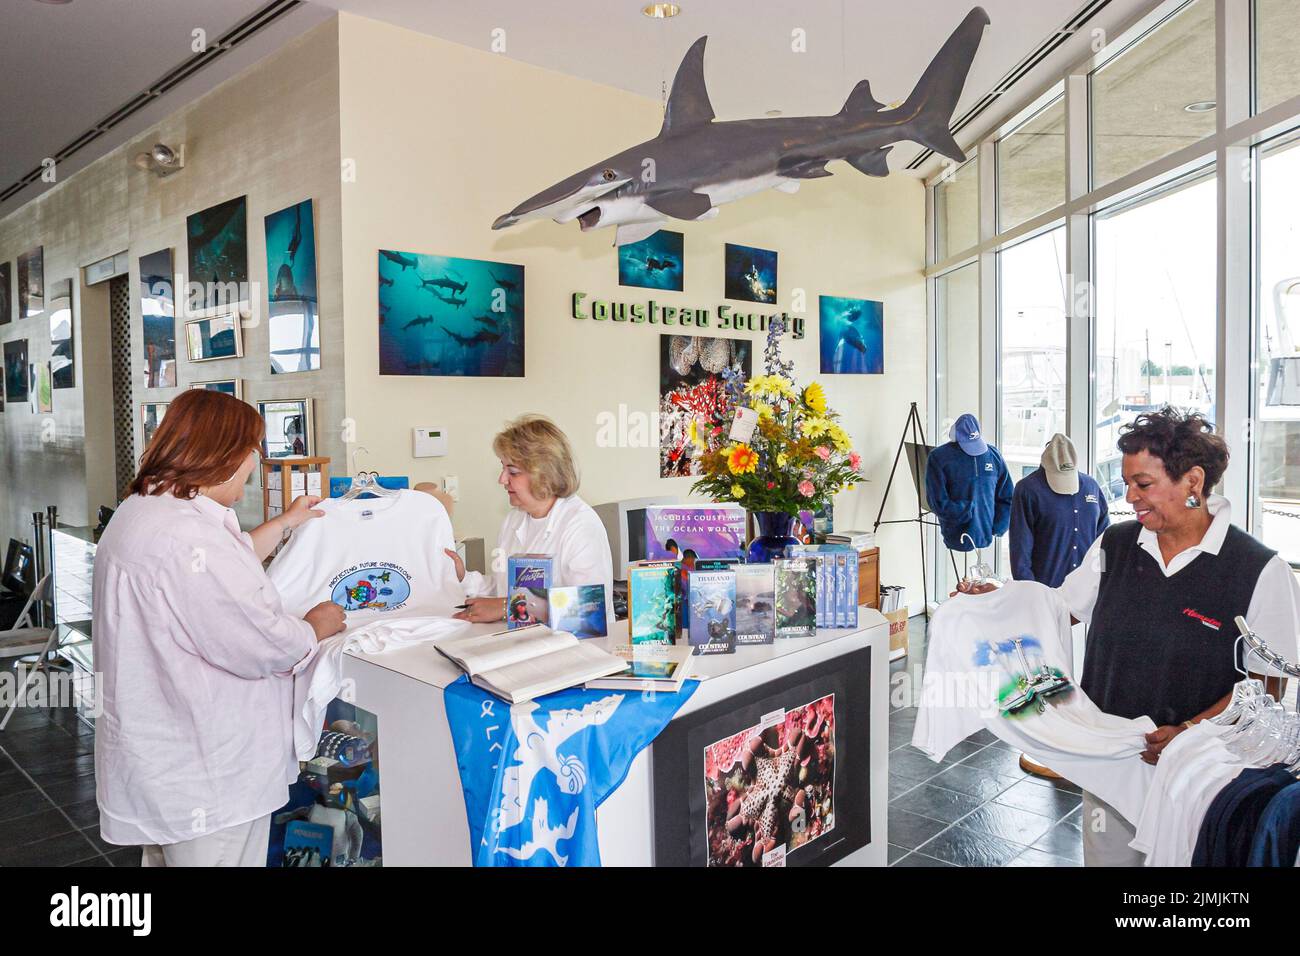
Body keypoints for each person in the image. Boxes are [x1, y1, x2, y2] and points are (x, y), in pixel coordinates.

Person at [961, 407, 1300, 866]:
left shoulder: (1261, 570)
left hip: (1199, 775)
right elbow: (1060, 609)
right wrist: (998, 598)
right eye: (1126, 484)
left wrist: (1189, 732)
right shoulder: (1115, 545)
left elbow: (1268, 687)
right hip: (1112, 759)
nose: (1129, 497)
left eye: (1143, 485)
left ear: (1193, 482)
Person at [93, 390, 347, 867]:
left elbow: (214, 572)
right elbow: (262, 644)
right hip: (209, 776)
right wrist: (315, 626)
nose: (255, 467)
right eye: (255, 453)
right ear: (229, 455)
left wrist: (286, 523)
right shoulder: (187, 535)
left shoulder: (147, 510)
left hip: (163, 765)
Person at [449, 415, 615, 626]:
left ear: (544, 474)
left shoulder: (580, 524)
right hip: (525, 643)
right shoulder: (514, 519)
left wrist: (505, 606)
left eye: (513, 472)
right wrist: (464, 576)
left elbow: (588, 609)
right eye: (503, 468)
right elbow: (504, 586)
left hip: (575, 649)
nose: (502, 479)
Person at [1009, 433, 1109, 587]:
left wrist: (1103, 581)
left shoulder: (1091, 486)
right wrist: (1029, 592)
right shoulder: (1027, 490)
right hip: (1046, 590)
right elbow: (1020, 549)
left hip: (1087, 590)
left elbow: (1104, 540)